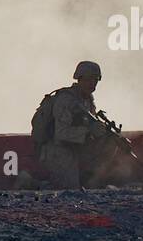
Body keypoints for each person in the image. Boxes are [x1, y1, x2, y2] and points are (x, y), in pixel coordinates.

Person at [32, 60, 120, 189]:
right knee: (68, 188)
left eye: (96, 79)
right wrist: (89, 131)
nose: (93, 83)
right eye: (89, 79)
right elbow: (61, 133)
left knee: (111, 141)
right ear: (80, 78)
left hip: (75, 147)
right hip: (57, 150)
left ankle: (92, 180)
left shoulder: (88, 100)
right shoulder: (66, 100)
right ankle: (30, 183)